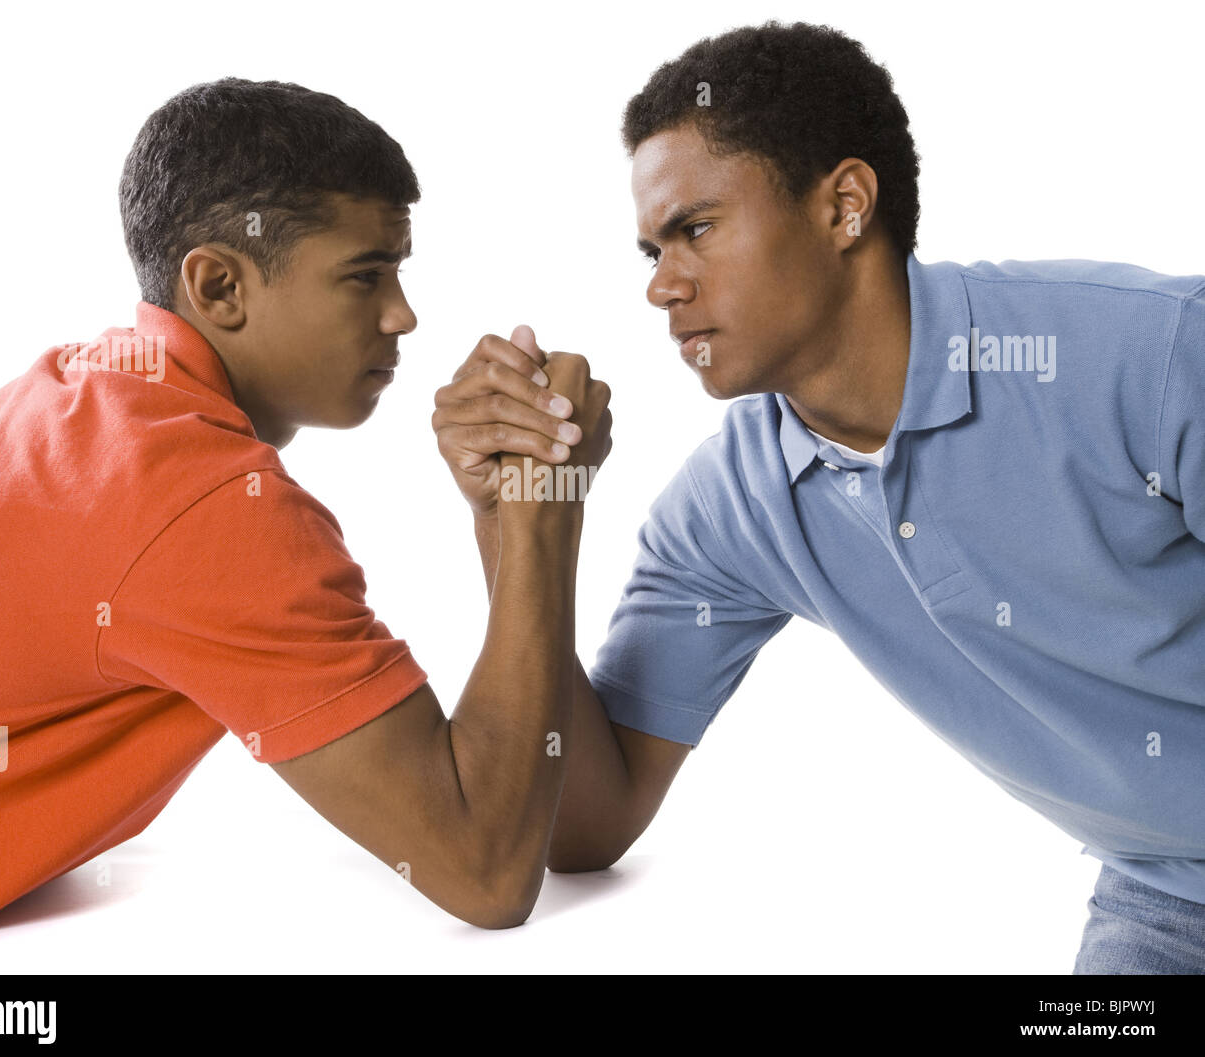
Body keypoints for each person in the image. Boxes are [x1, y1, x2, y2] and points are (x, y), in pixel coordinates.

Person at [431, 20, 1205, 974]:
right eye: (650, 253)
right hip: (1171, 901)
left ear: (845, 207)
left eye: (696, 230)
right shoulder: (730, 513)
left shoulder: (1151, 359)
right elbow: (588, 824)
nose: (662, 288)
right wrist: (520, 519)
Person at [0, 76, 610, 971]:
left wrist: (500, 526)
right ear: (220, 285)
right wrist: (542, 514)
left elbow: (562, 827)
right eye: (365, 275)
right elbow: (485, 870)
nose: (403, 315)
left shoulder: (78, 396)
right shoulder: (196, 504)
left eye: (399, 270)